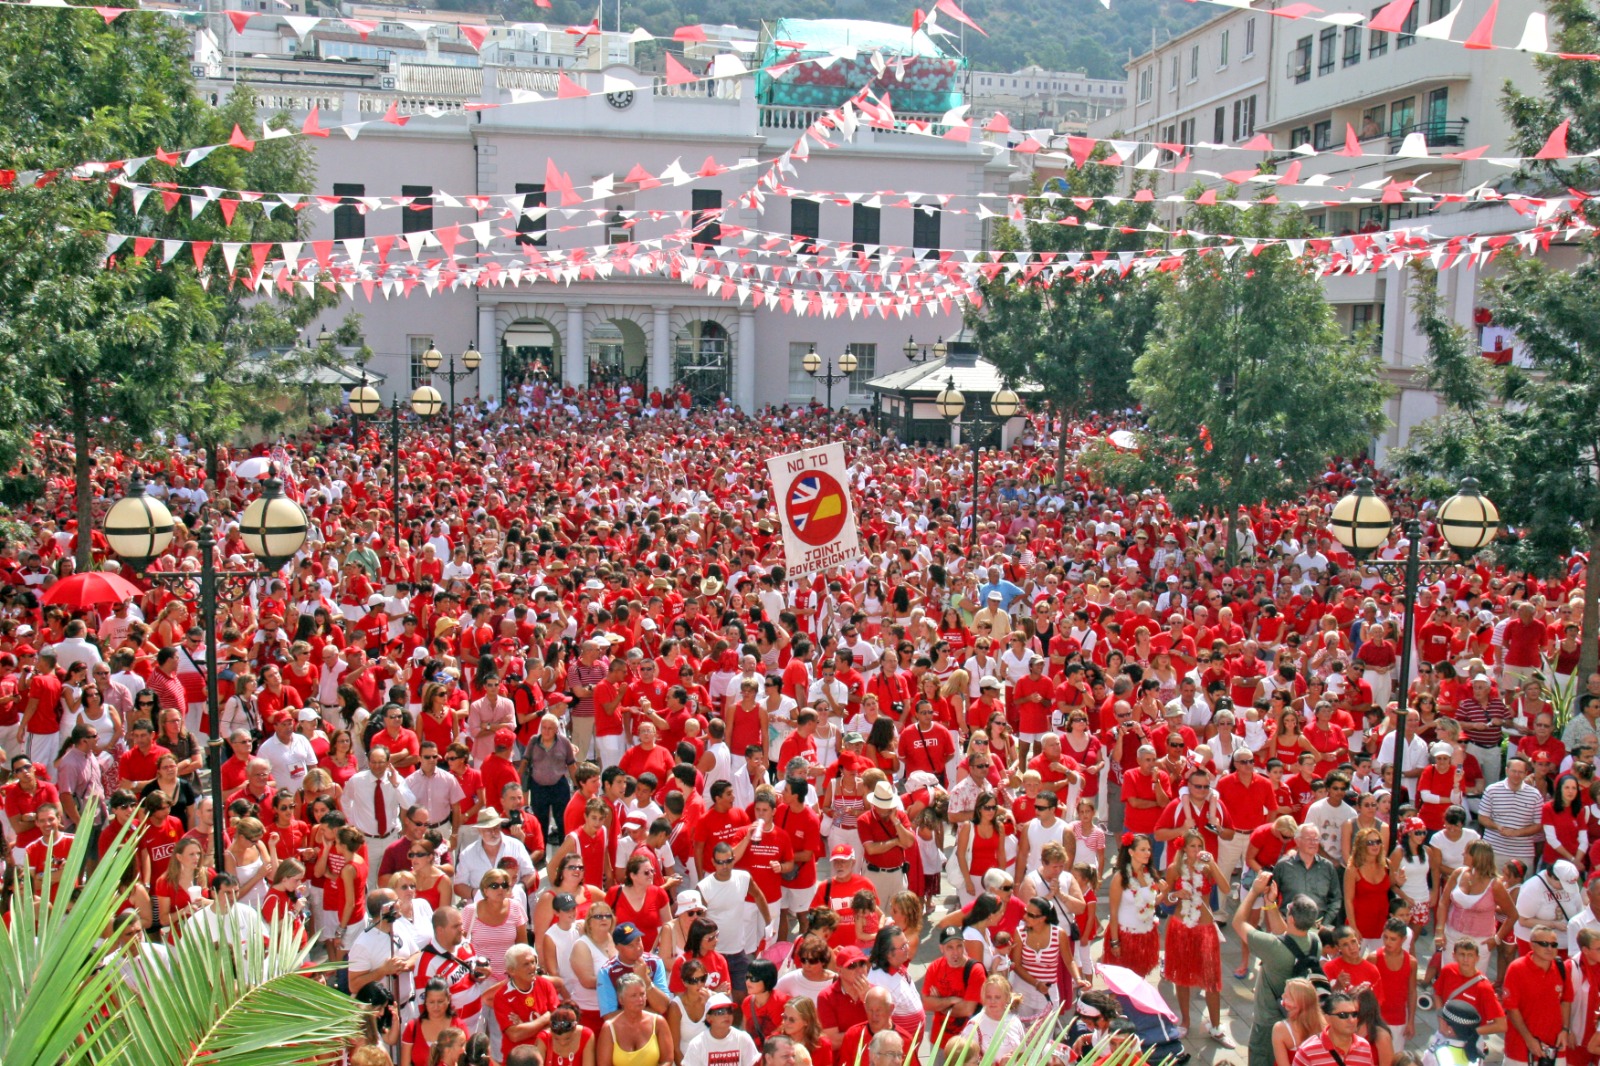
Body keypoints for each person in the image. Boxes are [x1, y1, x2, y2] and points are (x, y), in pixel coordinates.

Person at [1235, 870, 1324, 1066]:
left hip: (1269, 1020)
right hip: (1301, 1019)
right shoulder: (1315, 941)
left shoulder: (1273, 947)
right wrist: (1271, 904)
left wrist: (1254, 892)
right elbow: (1286, 935)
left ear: (1291, 918)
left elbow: (1238, 922)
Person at [1162, 829, 1231, 1044]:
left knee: (1211, 980)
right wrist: (1176, 894)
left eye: (1200, 846)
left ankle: (1216, 1026)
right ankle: (1185, 1022)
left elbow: (1226, 888)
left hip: (1205, 927)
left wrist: (1213, 864)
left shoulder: (1208, 868)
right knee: (1182, 978)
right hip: (1181, 926)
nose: (1197, 850)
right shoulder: (1174, 869)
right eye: (1193, 846)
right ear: (1184, 848)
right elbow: (1166, 900)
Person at [1503, 923, 1574, 1066]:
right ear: (1532, 945)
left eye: (1553, 945)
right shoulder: (1517, 969)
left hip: (1555, 1046)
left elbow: (1566, 1000)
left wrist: (1565, 1029)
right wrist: (1529, 1040)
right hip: (1520, 1047)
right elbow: (1512, 1009)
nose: (1549, 948)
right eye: (1543, 943)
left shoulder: (1561, 968)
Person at [1105, 831, 1163, 978]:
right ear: (1131, 852)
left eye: (1149, 849)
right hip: (1125, 936)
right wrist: (1115, 942)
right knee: (1123, 982)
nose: (1147, 853)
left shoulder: (1150, 874)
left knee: (1139, 979)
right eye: (1143, 849)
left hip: (1146, 934)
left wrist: (1166, 893)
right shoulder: (1120, 878)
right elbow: (1113, 912)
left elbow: (1150, 904)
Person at [597, 973, 674, 1066]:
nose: (640, 999)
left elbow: (667, 1060)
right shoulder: (609, 1028)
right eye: (634, 996)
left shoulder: (658, 1022)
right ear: (621, 1000)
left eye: (642, 994)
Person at [1291, 989, 1375, 1066]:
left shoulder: (1364, 1047)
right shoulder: (1307, 1051)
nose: (1351, 1020)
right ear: (1328, 1019)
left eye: (1354, 1014)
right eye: (1343, 1015)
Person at [957, 974, 1025, 1062]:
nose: (993, 1001)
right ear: (983, 997)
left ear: (1007, 998)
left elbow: (1023, 1055)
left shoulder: (1014, 1021)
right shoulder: (973, 1026)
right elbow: (964, 1062)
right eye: (989, 997)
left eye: (997, 997)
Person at [681, 994, 757, 1066]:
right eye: (720, 1012)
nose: (726, 1015)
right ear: (709, 1018)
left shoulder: (743, 1038)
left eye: (729, 1011)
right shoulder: (697, 1044)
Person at [1272, 978, 1326, 1066]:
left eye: (1287, 995)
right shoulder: (1325, 1024)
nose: (1282, 996)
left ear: (1297, 1002)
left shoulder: (1280, 1029)